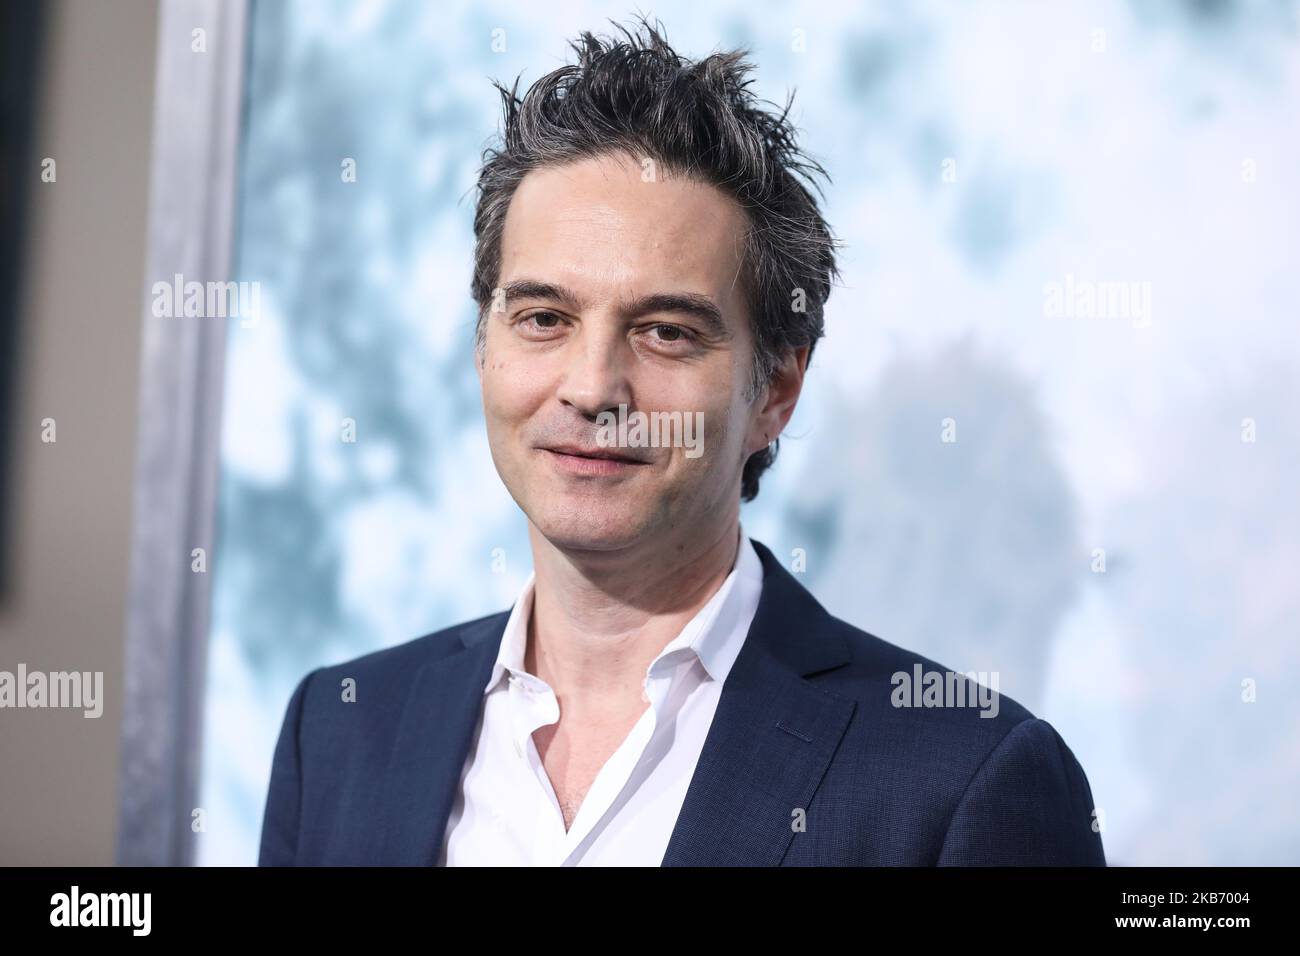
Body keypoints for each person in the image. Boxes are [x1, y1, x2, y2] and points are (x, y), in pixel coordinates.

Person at [258, 16, 1104, 867]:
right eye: (544, 318)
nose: (592, 387)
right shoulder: (338, 733)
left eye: (665, 332)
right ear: (484, 348)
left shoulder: (965, 783)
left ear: (776, 387)